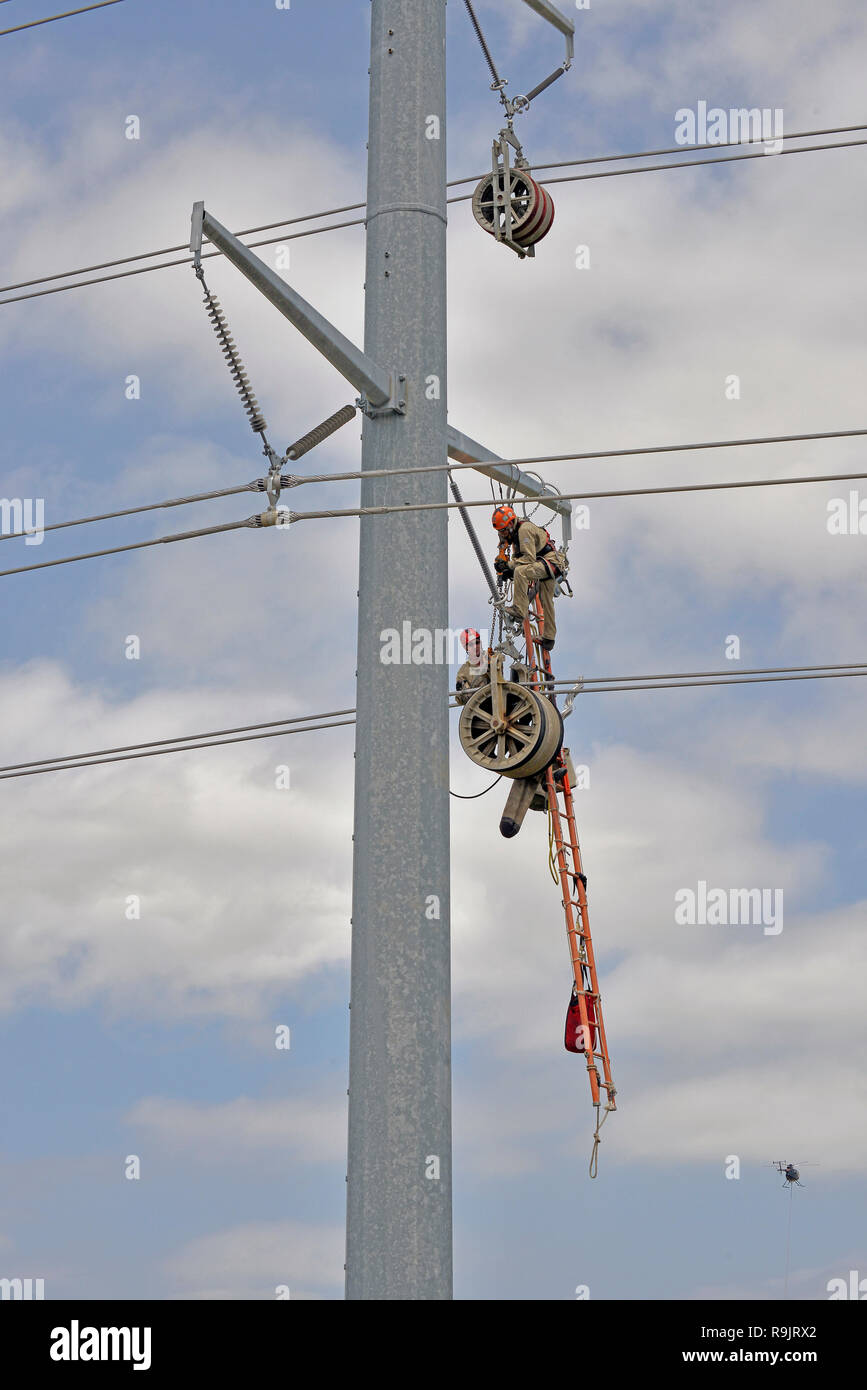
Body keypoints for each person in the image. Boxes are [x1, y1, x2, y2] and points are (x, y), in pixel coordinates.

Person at [492, 504, 563, 650]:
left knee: (521, 572)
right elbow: (519, 558)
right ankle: (549, 639)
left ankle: (519, 610)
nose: (503, 534)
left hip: (550, 562)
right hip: (543, 563)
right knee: (545, 600)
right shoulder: (513, 533)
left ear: (511, 523)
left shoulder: (524, 530)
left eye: (504, 530)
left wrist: (509, 566)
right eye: (500, 531)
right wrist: (506, 567)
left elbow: (528, 559)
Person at [455, 628, 488, 704]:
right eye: (470, 644)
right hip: (480, 708)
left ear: (481, 643)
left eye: (477, 642)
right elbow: (460, 700)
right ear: (466, 648)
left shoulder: (492, 658)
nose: (475, 646)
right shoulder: (463, 672)